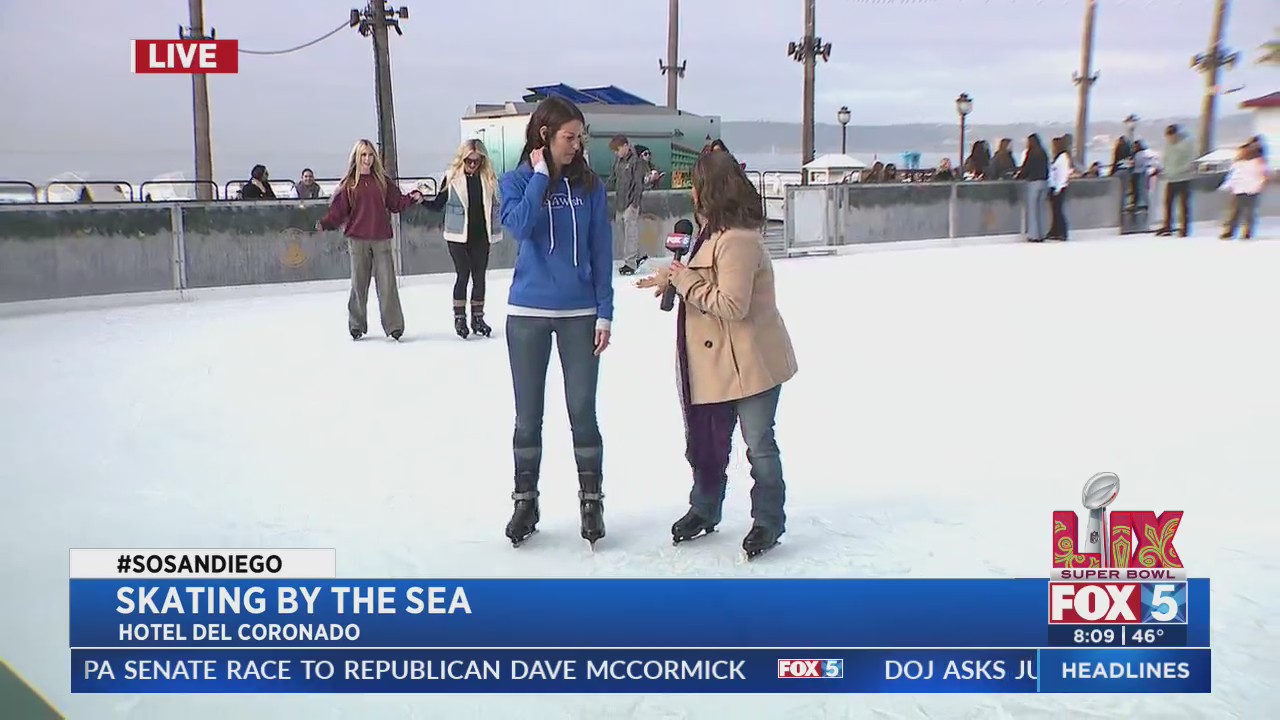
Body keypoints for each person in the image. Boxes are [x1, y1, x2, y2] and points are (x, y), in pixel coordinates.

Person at [634, 150, 798, 558]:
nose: (692, 193)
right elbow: (700, 274)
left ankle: (768, 520)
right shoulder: (710, 233)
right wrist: (670, 277)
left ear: (710, 189)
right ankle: (704, 509)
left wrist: (685, 281)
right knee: (709, 442)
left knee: (759, 444)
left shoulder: (738, 239)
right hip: (715, 362)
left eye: (695, 185)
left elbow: (732, 305)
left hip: (751, 363)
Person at [498, 96, 614, 548]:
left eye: (580, 138)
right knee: (528, 416)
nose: (576, 146)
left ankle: (591, 500)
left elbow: (601, 249)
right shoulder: (515, 181)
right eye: (569, 137)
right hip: (527, 311)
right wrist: (540, 178)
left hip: (579, 312)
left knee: (582, 410)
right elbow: (518, 227)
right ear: (544, 135)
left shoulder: (590, 186)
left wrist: (605, 310)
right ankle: (525, 502)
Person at [317, 139, 424, 341]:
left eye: (370, 155)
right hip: (357, 240)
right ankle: (356, 324)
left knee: (387, 284)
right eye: (363, 155)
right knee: (359, 284)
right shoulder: (350, 184)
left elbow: (396, 203)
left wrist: (412, 197)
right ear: (356, 158)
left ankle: (394, 326)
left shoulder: (382, 181)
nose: (367, 159)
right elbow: (338, 212)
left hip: (380, 238)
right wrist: (325, 223)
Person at [424, 139, 503, 338]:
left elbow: (499, 204)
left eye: (477, 161)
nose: (473, 165)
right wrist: (420, 200)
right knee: (463, 273)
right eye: (469, 161)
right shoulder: (452, 177)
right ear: (462, 159)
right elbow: (438, 204)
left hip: (481, 235)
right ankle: (460, 317)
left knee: (479, 276)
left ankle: (478, 317)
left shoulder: (488, 178)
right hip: (458, 235)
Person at [607, 134, 649, 275]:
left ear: (625, 146)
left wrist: (635, 203)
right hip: (620, 202)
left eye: (618, 149)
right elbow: (612, 178)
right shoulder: (617, 161)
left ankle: (630, 263)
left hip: (631, 203)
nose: (616, 153)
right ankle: (635, 257)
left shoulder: (636, 162)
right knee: (622, 234)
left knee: (631, 234)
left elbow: (638, 184)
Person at [1220, 141, 1268, 240]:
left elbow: (1262, 176)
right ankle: (1230, 230)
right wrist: (1228, 185)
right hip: (1239, 189)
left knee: (1247, 211)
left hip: (1251, 190)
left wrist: (1258, 186)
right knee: (1235, 211)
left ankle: (1246, 231)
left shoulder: (1257, 162)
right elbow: (1233, 176)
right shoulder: (1239, 163)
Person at [1156, 124, 1195, 237]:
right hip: (1171, 178)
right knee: (1168, 203)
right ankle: (1167, 226)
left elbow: (1190, 161)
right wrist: (1165, 170)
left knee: (1183, 204)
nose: (1170, 139)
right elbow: (1165, 159)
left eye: (1172, 136)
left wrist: (1179, 170)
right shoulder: (1168, 145)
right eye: (1168, 137)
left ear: (1176, 134)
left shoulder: (1187, 143)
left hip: (1183, 178)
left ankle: (1185, 228)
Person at [1017, 134, 1050, 242]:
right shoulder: (1043, 153)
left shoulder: (1031, 153)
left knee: (1032, 210)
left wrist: (1019, 176)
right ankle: (1042, 234)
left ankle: (1034, 235)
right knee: (1041, 210)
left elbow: (1026, 168)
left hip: (1033, 183)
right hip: (1044, 182)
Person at [1047, 135, 1072, 241]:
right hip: (1055, 186)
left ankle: (1062, 232)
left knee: (1058, 211)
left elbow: (1062, 174)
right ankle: (1055, 231)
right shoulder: (1058, 157)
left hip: (1059, 187)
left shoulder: (1063, 158)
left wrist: (1058, 188)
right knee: (1056, 211)